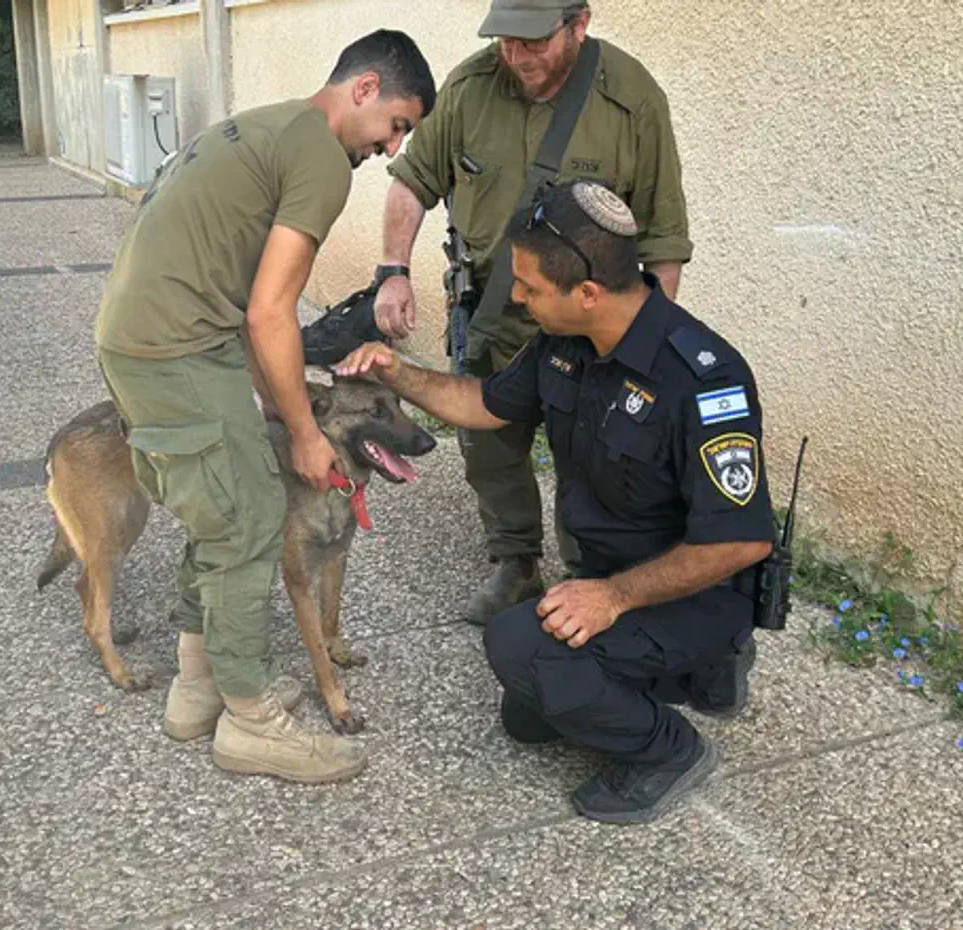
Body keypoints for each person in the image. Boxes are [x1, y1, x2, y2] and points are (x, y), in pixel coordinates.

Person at [335, 181, 773, 823]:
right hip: (613, 577)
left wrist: (611, 598)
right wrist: (396, 374)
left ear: (588, 293)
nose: (516, 297)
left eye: (531, 287)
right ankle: (689, 677)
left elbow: (740, 541)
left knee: (516, 646)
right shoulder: (567, 345)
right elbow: (484, 405)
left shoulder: (704, 378)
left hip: (689, 591)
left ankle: (671, 748)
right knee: (529, 717)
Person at [94, 30, 436, 785]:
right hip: (176, 347)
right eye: (397, 125)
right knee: (249, 518)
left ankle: (198, 689)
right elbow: (273, 312)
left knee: (220, 510)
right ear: (365, 89)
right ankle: (250, 723)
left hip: (156, 339)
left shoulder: (269, 126)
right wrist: (309, 433)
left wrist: (272, 408)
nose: (390, 148)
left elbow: (248, 298)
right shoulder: (319, 156)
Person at [376, 0, 693, 626]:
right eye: (505, 41)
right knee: (489, 447)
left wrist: (645, 344)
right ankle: (515, 563)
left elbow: (662, 240)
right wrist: (393, 272)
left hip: (591, 327)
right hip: (496, 314)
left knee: (596, 457)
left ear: (579, 24)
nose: (515, 57)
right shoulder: (471, 88)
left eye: (533, 42)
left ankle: (591, 577)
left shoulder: (633, 101)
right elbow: (412, 183)